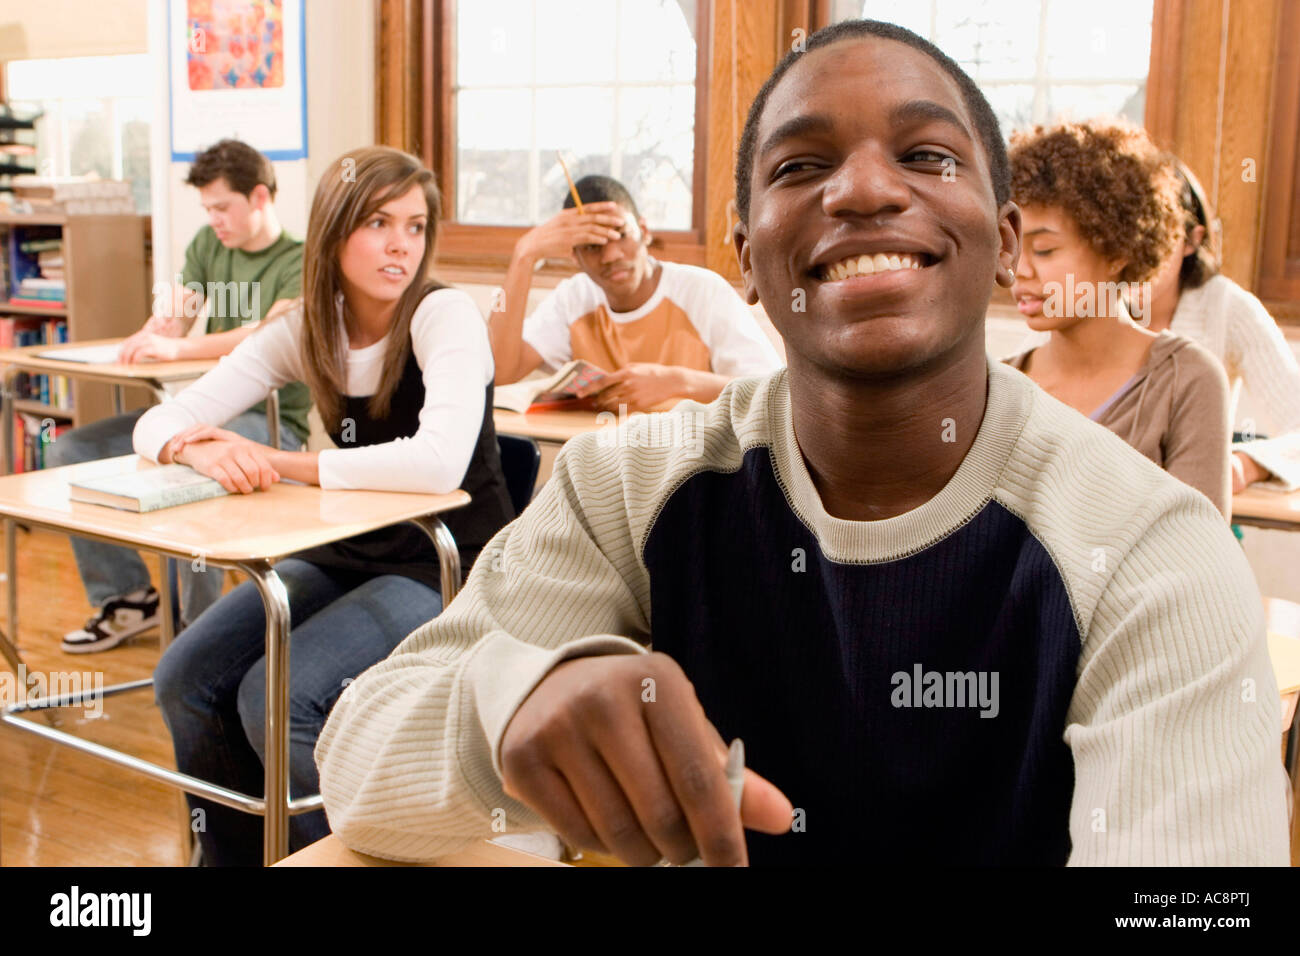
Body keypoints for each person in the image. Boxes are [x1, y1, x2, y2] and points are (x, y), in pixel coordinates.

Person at [316, 21, 1288, 866]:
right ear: (747, 251)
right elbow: (356, 757)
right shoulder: (624, 485)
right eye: (800, 164)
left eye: (926, 155)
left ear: (998, 237)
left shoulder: (1156, 552)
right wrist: (508, 698)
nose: (863, 188)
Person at [137, 146, 513, 865]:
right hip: (349, 552)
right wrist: (199, 449)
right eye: (379, 222)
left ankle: (355, 857)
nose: (402, 243)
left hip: (446, 562)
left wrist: (279, 463)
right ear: (335, 230)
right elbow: (158, 421)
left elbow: (437, 462)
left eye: (414, 224)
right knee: (184, 678)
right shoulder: (305, 326)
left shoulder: (445, 315)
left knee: (276, 700)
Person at [50, 138, 311, 653]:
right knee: (70, 451)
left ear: (259, 197)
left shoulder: (300, 261)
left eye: (222, 207)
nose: (213, 219)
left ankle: (199, 634)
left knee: (189, 470)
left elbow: (264, 335)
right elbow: (177, 310)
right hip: (200, 416)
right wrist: (152, 335)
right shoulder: (207, 245)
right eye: (207, 209)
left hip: (272, 422)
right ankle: (129, 599)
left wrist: (176, 347)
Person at [1002, 122, 1232, 517]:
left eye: (1044, 249)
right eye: (1012, 248)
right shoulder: (999, 389)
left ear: (1117, 251)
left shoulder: (1186, 381)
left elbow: (1199, 556)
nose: (1019, 271)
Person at [488, 174, 781, 412]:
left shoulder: (702, 290)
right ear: (574, 256)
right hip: (607, 468)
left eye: (621, 235)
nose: (611, 255)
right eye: (592, 246)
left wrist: (676, 382)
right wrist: (523, 255)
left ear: (644, 230)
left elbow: (773, 392)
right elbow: (500, 372)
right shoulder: (573, 298)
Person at [1135, 158, 1300, 493]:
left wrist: (1243, 466)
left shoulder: (1229, 308)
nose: (1138, 254)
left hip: (1197, 516)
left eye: (1154, 235)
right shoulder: (1089, 304)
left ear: (1191, 240)